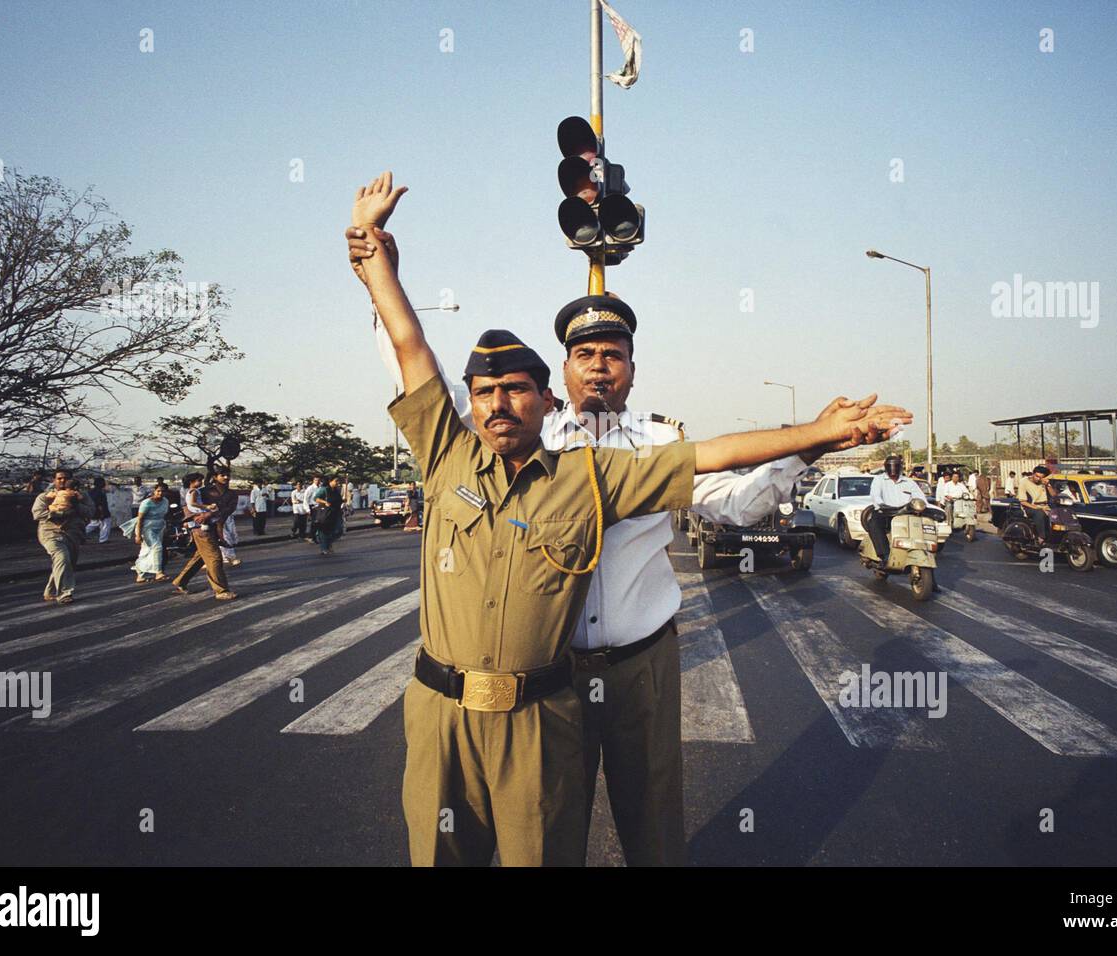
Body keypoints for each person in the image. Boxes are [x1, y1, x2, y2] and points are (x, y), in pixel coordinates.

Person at [347, 170, 909, 867]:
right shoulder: (525, 441)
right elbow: (413, 365)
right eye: (585, 356)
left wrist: (812, 442)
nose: (600, 369)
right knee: (550, 822)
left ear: (633, 369)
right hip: (547, 674)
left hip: (638, 660)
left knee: (650, 815)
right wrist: (377, 270)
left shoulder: (651, 448)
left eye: (613, 355)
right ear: (561, 375)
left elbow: (732, 492)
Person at [172, 467, 238, 600]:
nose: (226, 477)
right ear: (215, 477)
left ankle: (180, 581)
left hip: (216, 525)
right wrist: (193, 518)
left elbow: (226, 512)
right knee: (214, 557)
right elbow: (189, 505)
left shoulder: (232, 494)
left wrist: (213, 518)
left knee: (201, 557)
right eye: (222, 475)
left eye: (227, 475)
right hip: (200, 528)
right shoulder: (203, 491)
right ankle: (221, 590)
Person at [31, 468, 95, 604]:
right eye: (59, 478)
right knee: (61, 557)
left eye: (66, 478)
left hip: (73, 532)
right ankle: (64, 593)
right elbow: (37, 514)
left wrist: (76, 505)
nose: (62, 481)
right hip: (50, 532)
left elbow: (90, 512)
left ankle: (50, 591)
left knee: (67, 563)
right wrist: (60, 513)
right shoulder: (45, 497)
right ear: (54, 480)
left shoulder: (80, 496)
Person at [865, 455, 928, 569]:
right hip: (885, 513)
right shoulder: (879, 480)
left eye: (896, 466)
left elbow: (920, 497)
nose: (893, 469)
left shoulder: (909, 482)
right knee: (874, 522)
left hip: (905, 513)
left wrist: (922, 505)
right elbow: (875, 495)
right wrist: (882, 505)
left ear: (900, 468)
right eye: (890, 466)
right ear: (886, 468)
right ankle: (884, 555)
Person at [125, 482, 171, 583]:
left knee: (146, 551)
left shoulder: (165, 501)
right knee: (157, 547)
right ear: (154, 491)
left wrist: (166, 528)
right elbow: (140, 519)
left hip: (160, 527)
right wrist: (137, 535)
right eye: (158, 491)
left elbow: (165, 516)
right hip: (147, 527)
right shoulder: (146, 503)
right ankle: (158, 572)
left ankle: (140, 575)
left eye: (163, 491)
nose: (160, 493)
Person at [1016, 465, 1052, 540]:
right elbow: (1023, 502)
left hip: (1045, 506)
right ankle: (1041, 537)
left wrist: (1048, 485)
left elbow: (1054, 495)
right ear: (1033, 473)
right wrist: (1039, 507)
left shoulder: (1044, 482)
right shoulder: (1024, 482)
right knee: (1039, 513)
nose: (1038, 479)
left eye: (1041, 477)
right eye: (1037, 476)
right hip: (1030, 507)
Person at [312, 475, 343, 554]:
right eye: (336, 481)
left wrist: (343, 500)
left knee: (338, 530)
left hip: (336, 512)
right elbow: (316, 498)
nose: (338, 483)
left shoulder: (336, 490)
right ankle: (324, 548)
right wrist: (325, 502)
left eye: (338, 481)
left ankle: (328, 543)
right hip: (326, 513)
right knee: (324, 531)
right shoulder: (324, 489)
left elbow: (338, 500)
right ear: (330, 481)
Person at [88, 476, 113, 544]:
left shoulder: (91, 491)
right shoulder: (100, 492)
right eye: (103, 482)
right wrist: (102, 513)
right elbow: (100, 504)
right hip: (101, 511)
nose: (104, 484)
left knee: (94, 524)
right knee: (105, 524)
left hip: (93, 510)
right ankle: (103, 539)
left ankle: (80, 535)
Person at [303, 474, 323, 544]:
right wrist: (307, 509)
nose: (317, 481)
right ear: (313, 480)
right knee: (314, 522)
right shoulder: (310, 488)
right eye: (316, 480)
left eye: (318, 480)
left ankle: (316, 536)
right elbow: (305, 499)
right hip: (313, 507)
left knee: (320, 522)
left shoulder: (321, 487)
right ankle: (311, 537)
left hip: (320, 506)